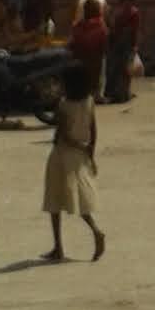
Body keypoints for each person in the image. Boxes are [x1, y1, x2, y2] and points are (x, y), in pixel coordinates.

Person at [43, 64, 105, 262]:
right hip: (80, 156)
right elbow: (94, 130)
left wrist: (79, 146)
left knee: (54, 201)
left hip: (62, 154)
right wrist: (90, 152)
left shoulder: (64, 105)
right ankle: (94, 230)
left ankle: (58, 247)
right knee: (80, 200)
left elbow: (62, 134)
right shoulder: (89, 101)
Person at [69, 0, 110, 97]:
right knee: (98, 75)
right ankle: (97, 95)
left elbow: (72, 42)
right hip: (95, 58)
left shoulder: (79, 25)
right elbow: (104, 42)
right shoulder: (100, 24)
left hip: (81, 58)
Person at [106, 0, 141, 104]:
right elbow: (133, 30)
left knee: (116, 68)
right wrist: (135, 44)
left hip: (117, 42)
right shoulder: (134, 12)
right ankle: (124, 93)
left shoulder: (118, 12)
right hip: (126, 43)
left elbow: (113, 27)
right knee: (126, 69)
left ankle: (115, 93)